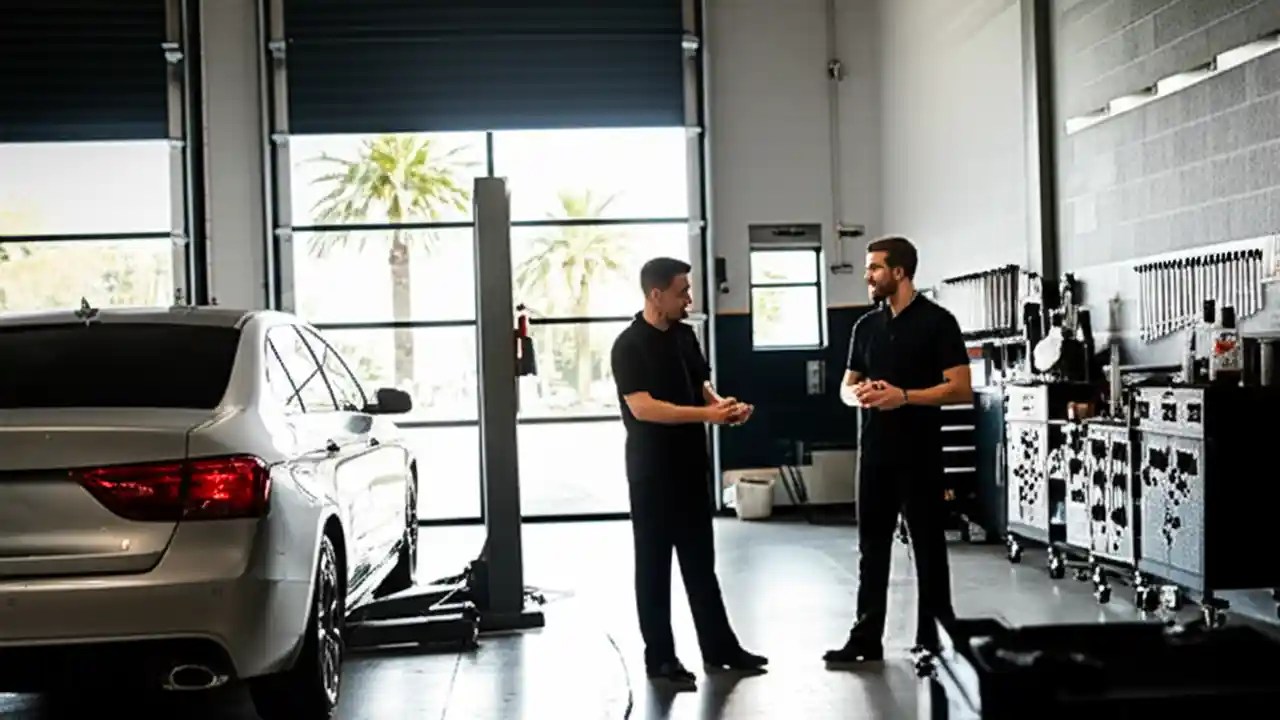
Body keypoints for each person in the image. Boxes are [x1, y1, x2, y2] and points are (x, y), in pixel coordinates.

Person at [610, 256, 769, 688]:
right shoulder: (629, 345)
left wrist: (722, 407)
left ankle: (720, 650)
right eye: (682, 292)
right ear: (655, 294)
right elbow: (642, 407)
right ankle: (660, 659)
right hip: (651, 475)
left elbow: (701, 385)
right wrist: (706, 414)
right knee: (654, 567)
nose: (689, 299)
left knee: (702, 566)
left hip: (689, 470)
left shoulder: (684, 336)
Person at [824, 236, 972, 665]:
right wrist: (863, 395)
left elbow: (960, 388)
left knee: (927, 547)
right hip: (874, 454)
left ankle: (935, 638)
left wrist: (903, 396)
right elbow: (845, 389)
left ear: (900, 272)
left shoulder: (938, 322)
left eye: (874, 268)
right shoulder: (864, 327)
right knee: (872, 548)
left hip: (920, 453)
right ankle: (865, 639)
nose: (867, 275)